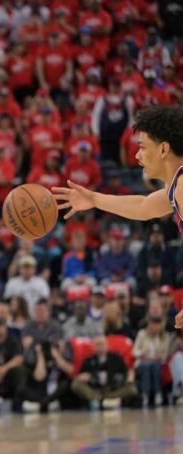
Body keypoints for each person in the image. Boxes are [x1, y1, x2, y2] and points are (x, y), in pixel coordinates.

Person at [54, 105, 183, 329]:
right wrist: (93, 199)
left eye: (142, 147)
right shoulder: (177, 186)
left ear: (163, 149)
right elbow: (143, 207)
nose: (136, 155)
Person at [70, 335, 137, 410]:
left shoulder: (116, 358)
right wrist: (82, 377)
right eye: (97, 345)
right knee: (75, 384)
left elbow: (125, 372)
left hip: (113, 390)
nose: (100, 347)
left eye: (102, 344)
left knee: (132, 389)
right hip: (95, 391)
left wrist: (128, 377)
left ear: (107, 345)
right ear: (93, 346)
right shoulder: (88, 360)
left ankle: (109, 400)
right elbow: (79, 376)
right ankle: (98, 400)